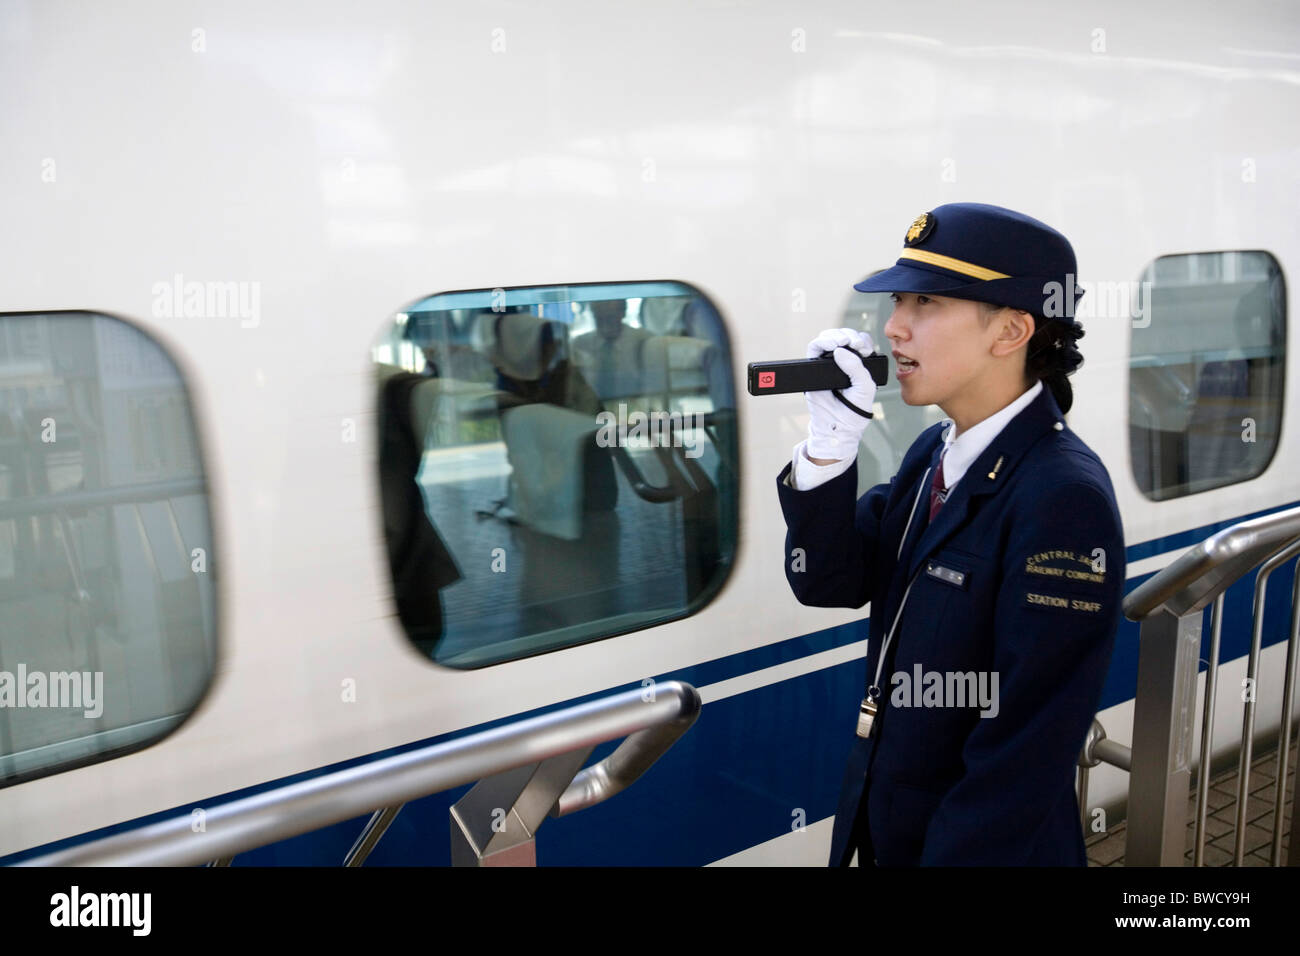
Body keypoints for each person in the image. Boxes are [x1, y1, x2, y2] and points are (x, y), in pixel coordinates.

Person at [776, 202, 1126, 866]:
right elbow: (828, 580)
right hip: (893, 832)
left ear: (1012, 331)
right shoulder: (935, 454)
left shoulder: (1061, 497)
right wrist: (829, 452)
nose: (894, 327)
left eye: (926, 303)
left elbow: (1023, 753)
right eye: (898, 300)